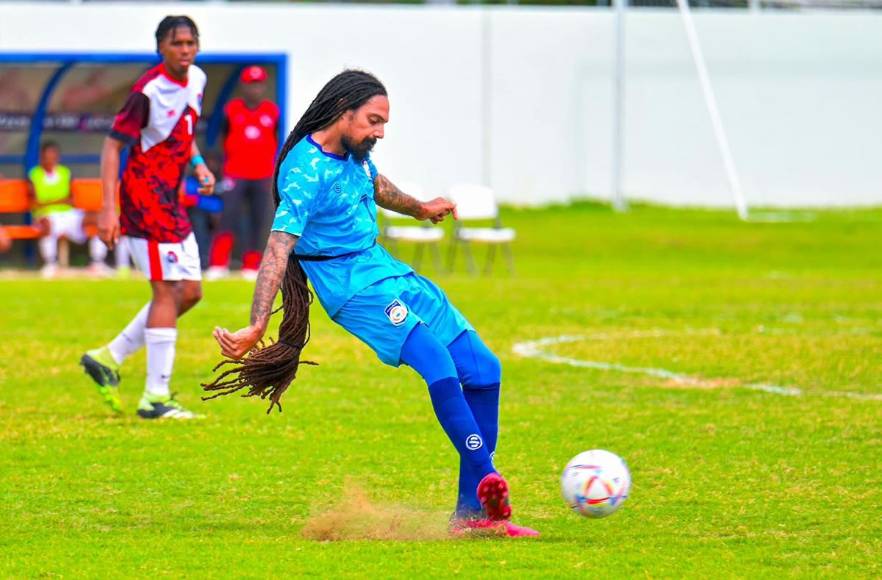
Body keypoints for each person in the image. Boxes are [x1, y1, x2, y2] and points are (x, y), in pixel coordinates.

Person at [204, 70, 538, 538]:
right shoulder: (305, 168)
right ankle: (486, 478)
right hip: (353, 289)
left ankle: (472, 516)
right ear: (343, 110)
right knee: (437, 361)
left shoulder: (356, 155)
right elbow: (278, 246)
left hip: (387, 271)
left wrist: (420, 208)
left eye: (384, 123)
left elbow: (377, 188)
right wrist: (258, 323)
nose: (379, 132)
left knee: (484, 369)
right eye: (373, 121)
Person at [80, 15, 215, 420]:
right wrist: (109, 208)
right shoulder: (147, 91)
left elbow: (182, 134)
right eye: (177, 43)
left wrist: (199, 165)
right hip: (143, 198)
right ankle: (155, 398)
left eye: (191, 42)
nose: (185, 50)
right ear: (160, 47)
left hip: (170, 200)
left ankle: (109, 356)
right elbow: (111, 147)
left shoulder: (198, 80)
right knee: (165, 291)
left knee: (189, 293)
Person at [206, 65, 279, 280]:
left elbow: (275, 139)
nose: (254, 89)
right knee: (227, 217)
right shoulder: (231, 109)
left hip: (262, 174)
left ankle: (251, 265)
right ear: (243, 86)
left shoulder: (272, 112)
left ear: (263, 86)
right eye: (250, 84)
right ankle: (218, 263)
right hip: (235, 172)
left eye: (258, 84)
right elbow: (223, 137)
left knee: (258, 219)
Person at [27, 141, 108, 278]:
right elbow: (35, 203)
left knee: (99, 219)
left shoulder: (65, 172)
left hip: (68, 214)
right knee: (47, 223)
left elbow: (71, 199)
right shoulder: (34, 175)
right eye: (48, 156)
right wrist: (59, 200)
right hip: (46, 215)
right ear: (42, 157)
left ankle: (97, 263)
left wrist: (49, 201)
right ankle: (51, 264)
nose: (51, 159)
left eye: (54, 156)